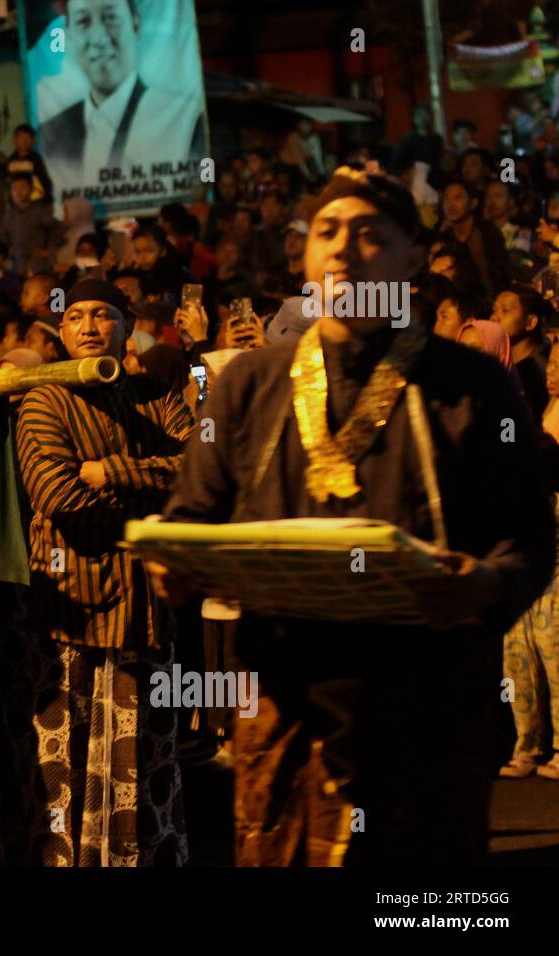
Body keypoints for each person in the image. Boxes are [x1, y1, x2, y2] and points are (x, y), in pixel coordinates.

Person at [150, 168, 555, 865]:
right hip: (285, 713)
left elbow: (530, 543)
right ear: (306, 256)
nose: (342, 250)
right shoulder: (249, 383)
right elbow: (193, 516)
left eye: (370, 235)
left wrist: (480, 585)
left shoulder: (470, 385)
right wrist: (175, 568)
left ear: (411, 259)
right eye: (327, 232)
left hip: (430, 710)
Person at [15, 277, 193, 866]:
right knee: (68, 770)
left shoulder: (152, 390)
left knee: (146, 767)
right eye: (77, 317)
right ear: (61, 331)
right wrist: (150, 482)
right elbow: (59, 497)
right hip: (76, 606)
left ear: (127, 326)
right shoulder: (44, 398)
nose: (90, 327)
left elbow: (200, 469)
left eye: (104, 315)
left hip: (148, 608)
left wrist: (111, 471)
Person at [40, 0, 204, 197]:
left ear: (136, 25)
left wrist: (208, 186)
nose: (99, 38)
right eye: (83, 21)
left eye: (111, 18)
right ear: (69, 35)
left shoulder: (185, 118)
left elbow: (207, 173)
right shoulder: (54, 133)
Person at [500, 345, 559, 779]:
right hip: (535, 542)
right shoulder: (545, 410)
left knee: (554, 646)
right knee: (518, 649)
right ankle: (528, 743)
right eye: (552, 361)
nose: (552, 370)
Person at [439, 177, 511, 298]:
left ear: (473, 203)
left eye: (458, 198)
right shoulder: (444, 236)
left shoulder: (487, 232)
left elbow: (498, 275)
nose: (450, 205)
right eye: (447, 198)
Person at [491, 284, 551, 422]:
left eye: (505, 310)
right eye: (494, 310)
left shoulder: (538, 370)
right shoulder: (498, 360)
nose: (494, 317)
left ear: (530, 322)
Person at [0, 173, 61, 276]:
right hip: (17, 266)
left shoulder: (40, 210)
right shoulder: (8, 216)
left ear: (31, 189)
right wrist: (12, 252)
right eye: (14, 189)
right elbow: (4, 238)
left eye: (23, 187)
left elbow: (57, 229)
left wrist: (48, 250)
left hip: (39, 265)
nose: (19, 192)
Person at [0, 123, 54, 204]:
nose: (24, 141)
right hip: (16, 205)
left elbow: (45, 181)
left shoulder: (36, 159)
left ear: (33, 141)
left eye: (27, 138)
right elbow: (5, 173)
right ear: (15, 140)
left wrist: (47, 201)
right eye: (21, 138)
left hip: (35, 203)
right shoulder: (11, 160)